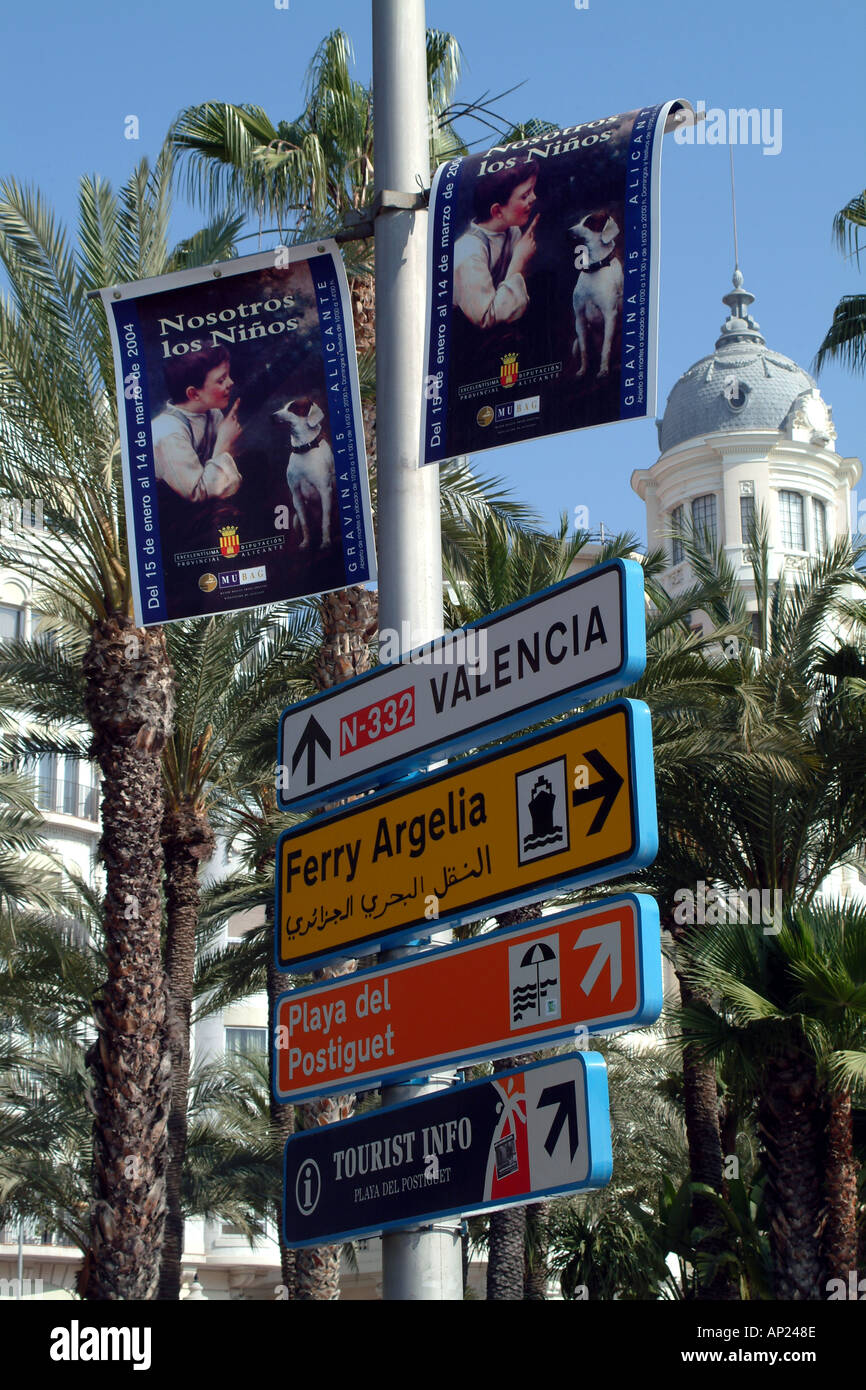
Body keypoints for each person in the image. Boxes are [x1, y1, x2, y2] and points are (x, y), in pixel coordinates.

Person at [453, 166, 540, 330]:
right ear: (497, 211)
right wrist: (519, 260)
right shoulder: (468, 253)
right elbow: (488, 319)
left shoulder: (511, 230)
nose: (533, 198)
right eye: (525, 195)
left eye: (532, 191)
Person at [151, 347, 243, 501]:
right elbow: (197, 494)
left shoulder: (212, 413)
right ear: (193, 394)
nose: (231, 382)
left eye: (228, 376)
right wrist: (224, 443)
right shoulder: (169, 434)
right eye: (221, 380)